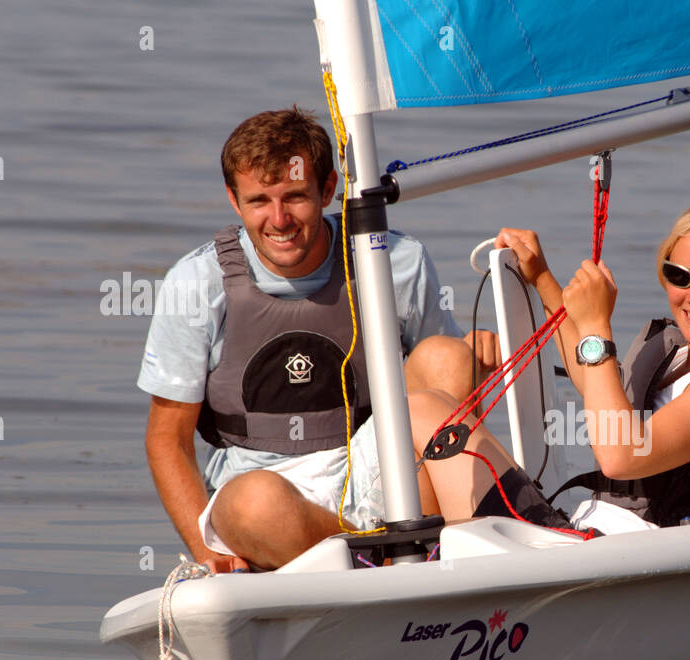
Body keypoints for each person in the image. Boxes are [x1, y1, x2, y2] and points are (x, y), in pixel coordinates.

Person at [138, 107, 499, 572]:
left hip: (377, 468)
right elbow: (167, 439)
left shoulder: (395, 260)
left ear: (328, 190)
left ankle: (467, 557)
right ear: (233, 199)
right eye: (258, 201)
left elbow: (442, 391)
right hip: (261, 489)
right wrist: (208, 554)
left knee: (449, 356)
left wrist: (478, 356)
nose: (279, 219)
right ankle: (385, 556)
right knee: (255, 505)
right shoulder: (195, 282)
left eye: (295, 196)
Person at [405, 195, 690, 533]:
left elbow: (620, 455)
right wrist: (544, 280)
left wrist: (598, 325)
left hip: (625, 564)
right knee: (424, 403)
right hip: (584, 540)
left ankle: (416, 573)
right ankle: (419, 565)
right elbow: (596, 385)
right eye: (679, 275)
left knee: (422, 410)